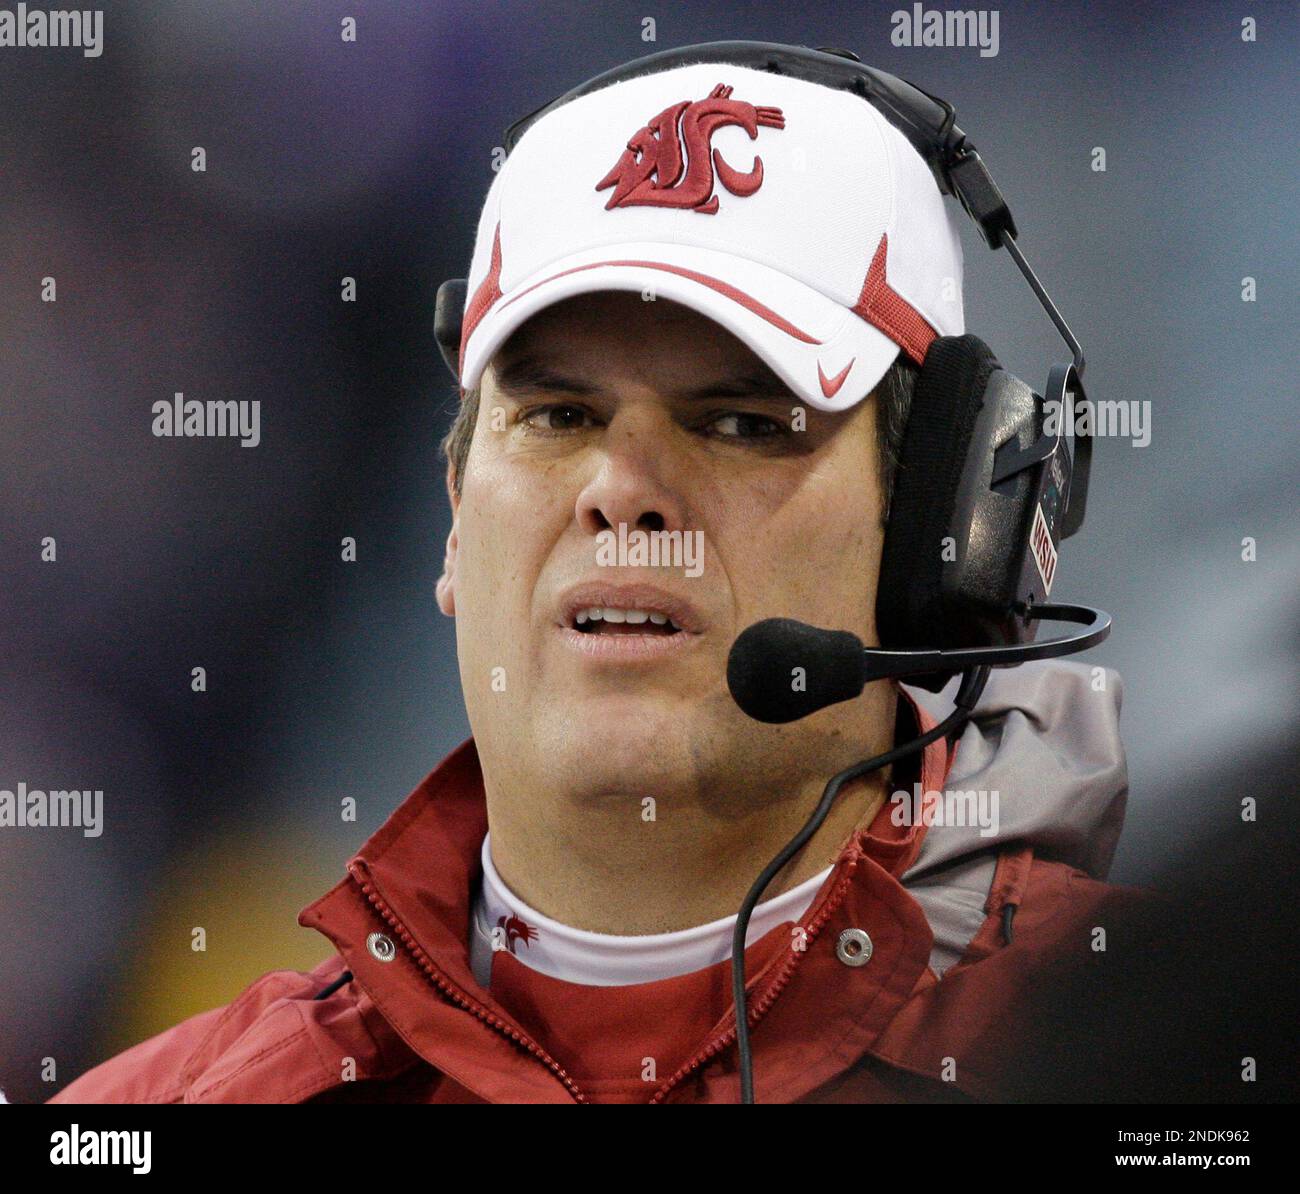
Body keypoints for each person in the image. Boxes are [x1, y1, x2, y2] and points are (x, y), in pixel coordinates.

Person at [50, 45, 1151, 1105]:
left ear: (940, 536)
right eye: (558, 415)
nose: (620, 490)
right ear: (450, 522)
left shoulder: (1183, 1044)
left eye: (739, 422)